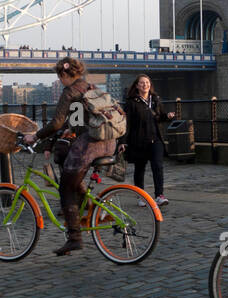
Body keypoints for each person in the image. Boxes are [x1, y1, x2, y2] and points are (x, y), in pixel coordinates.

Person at [20, 57, 116, 256]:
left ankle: (74, 238)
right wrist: (66, 132)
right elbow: (78, 120)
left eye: (59, 76)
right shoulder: (89, 87)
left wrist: (35, 136)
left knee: (65, 188)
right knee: (73, 177)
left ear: (64, 74)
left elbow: (56, 122)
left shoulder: (69, 91)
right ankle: (88, 211)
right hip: (109, 142)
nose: (60, 80)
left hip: (91, 145)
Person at [123, 75, 174, 207]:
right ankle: (141, 196)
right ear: (137, 86)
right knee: (140, 169)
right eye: (142, 83)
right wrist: (123, 141)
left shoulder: (155, 99)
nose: (145, 85)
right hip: (139, 140)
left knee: (158, 166)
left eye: (147, 82)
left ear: (150, 85)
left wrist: (167, 116)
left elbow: (160, 117)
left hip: (155, 139)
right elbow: (126, 124)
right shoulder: (131, 102)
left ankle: (159, 195)